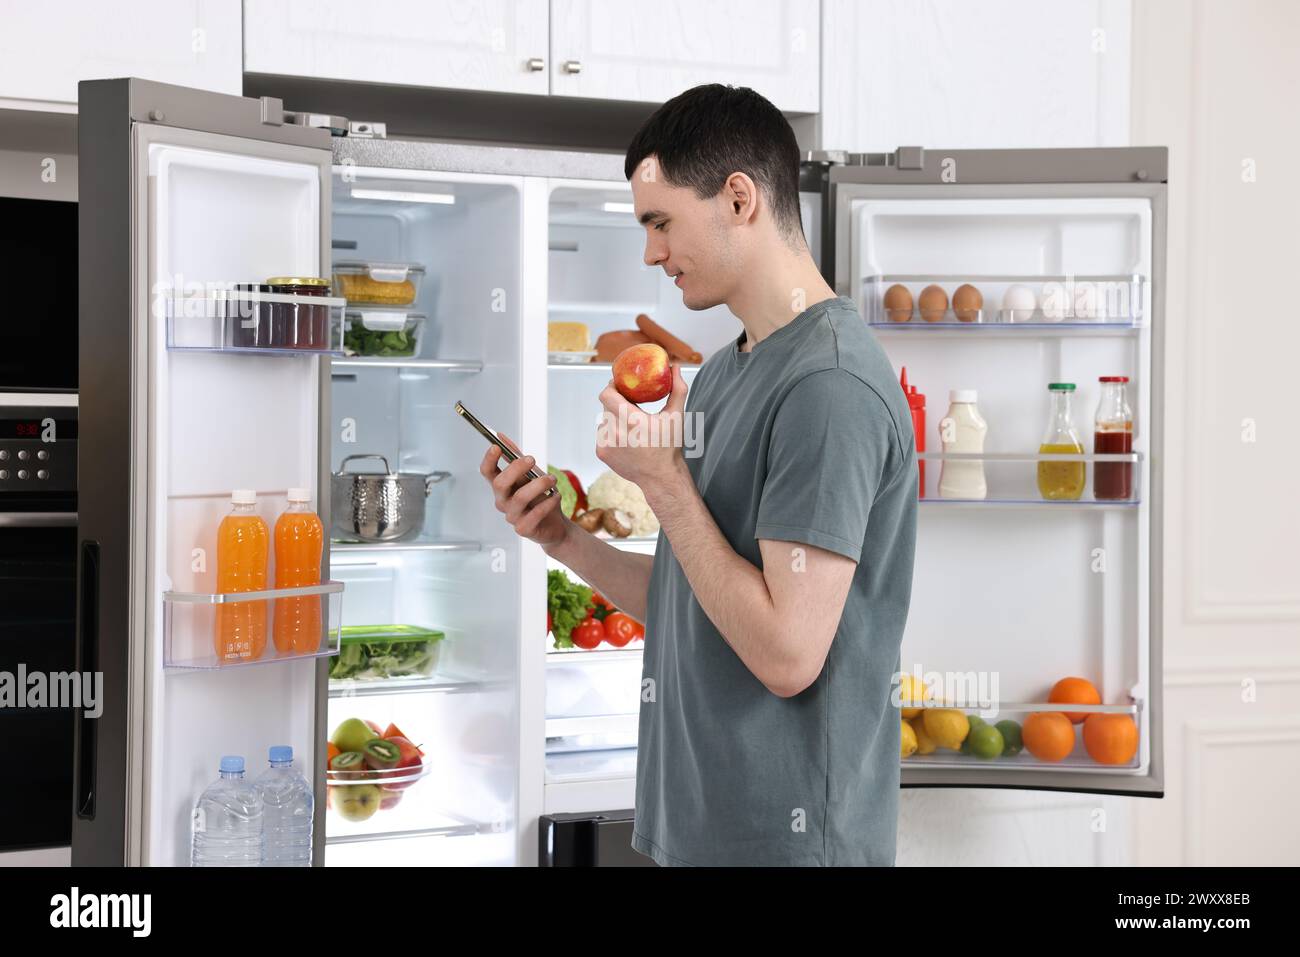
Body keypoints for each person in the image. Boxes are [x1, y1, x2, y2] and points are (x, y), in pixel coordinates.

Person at [480, 84, 918, 866]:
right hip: (700, 831)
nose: (652, 251)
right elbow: (692, 600)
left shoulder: (829, 387)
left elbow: (787, 654)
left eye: (660, 221)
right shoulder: (721, 374)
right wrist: (561, 537)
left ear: (739, 199)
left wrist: (665, 483)